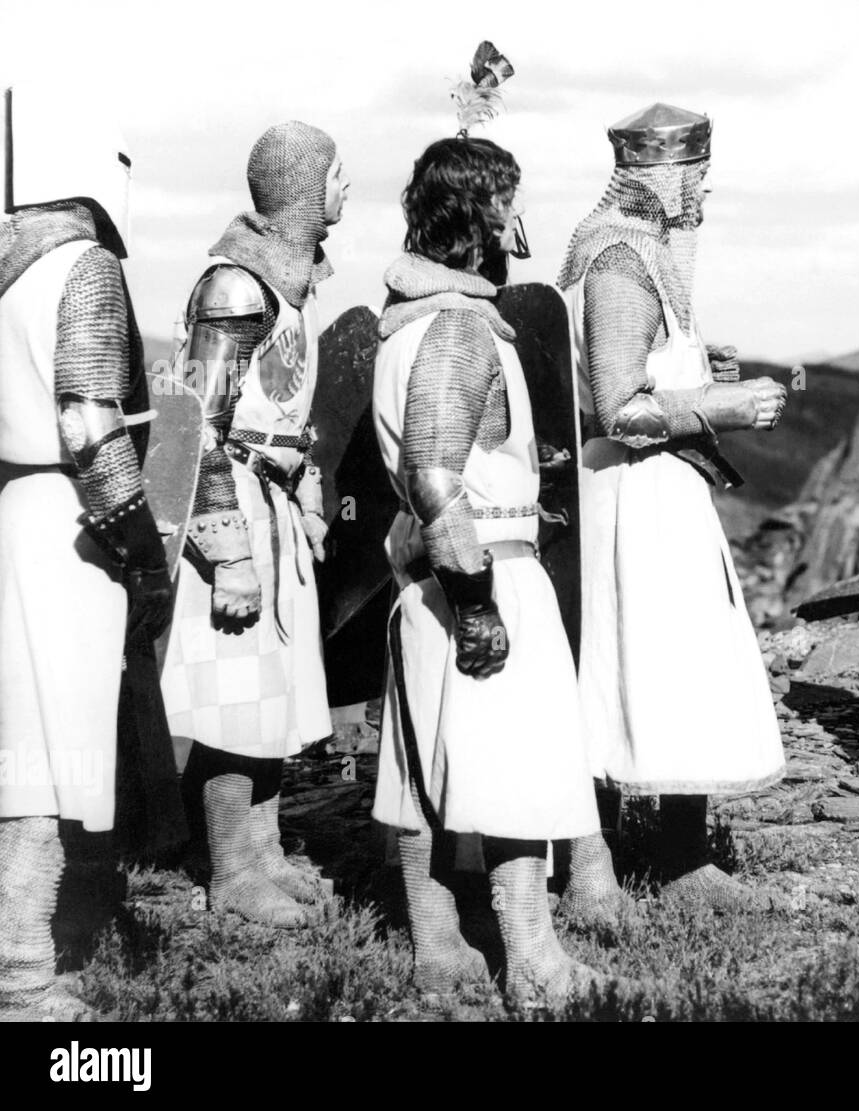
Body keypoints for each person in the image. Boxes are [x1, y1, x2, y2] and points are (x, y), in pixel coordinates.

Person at [370, 129, 604, 1005]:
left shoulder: (415, 321)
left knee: (427, 773)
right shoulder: (459, 327)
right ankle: (535, 965)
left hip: (439, 574)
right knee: (514, 768)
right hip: (481, 572)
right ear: (480, 215)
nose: (519, 219)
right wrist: (477, 600)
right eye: (509, 201)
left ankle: (440, 952)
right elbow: (435, 472)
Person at [557, 103, 788, 910]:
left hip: (652, 488)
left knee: (666, 661)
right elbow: (618, 408)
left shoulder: (630, 246)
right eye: (698, 172)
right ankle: (634, 865)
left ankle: (662, 855)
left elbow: (640, 370)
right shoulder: (621, 260)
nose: (705, 188)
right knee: (636, 661)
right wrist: (728, 406)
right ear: (665, 173)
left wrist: (697, 368)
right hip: (636, 492)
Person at [0, 84, 173, 1016]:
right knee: (47, 754)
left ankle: (34, 947)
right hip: (70, 524)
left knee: (24, 747)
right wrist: (139, 542)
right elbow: (90, 422)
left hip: (13, 510)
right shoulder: (84, 267)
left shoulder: (7, 270)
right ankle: (23, 973)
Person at [160, 122, 347, 925]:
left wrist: (306, 495)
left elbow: (283, 413)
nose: (345, 188)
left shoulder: (288, 285)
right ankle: (232, 867)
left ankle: (263, 850)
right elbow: (197, 423)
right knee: (234, 694)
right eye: (335, 176)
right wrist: (227, 550)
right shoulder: (235, 289)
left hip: (271, 496)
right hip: (231, 497)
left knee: (270, 689)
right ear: (302, 189)